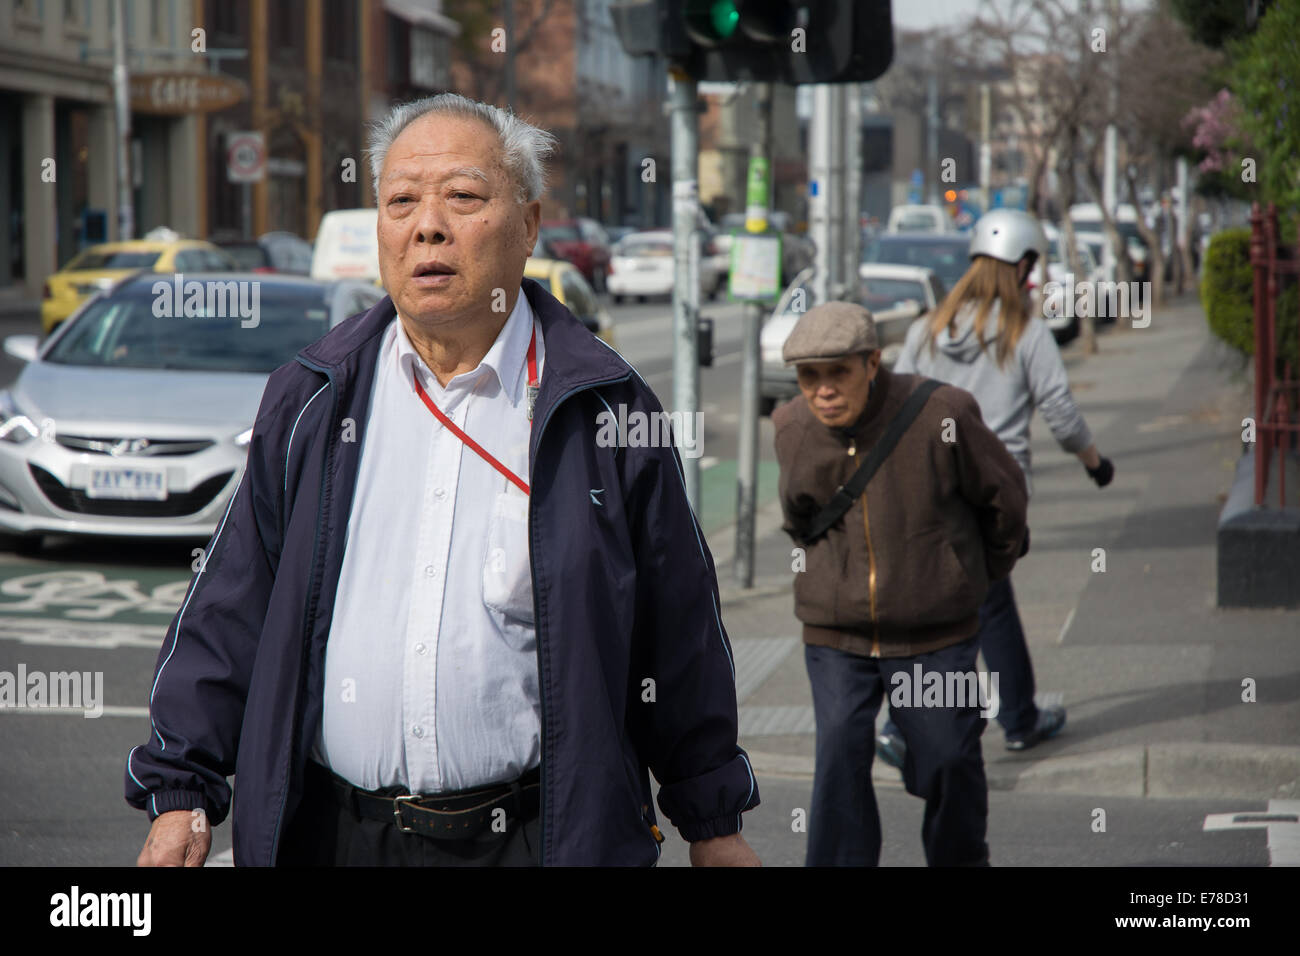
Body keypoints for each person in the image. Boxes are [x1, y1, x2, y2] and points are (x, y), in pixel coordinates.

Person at [126, 93, 760, 867]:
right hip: (335, 838)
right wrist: (181, 789)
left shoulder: (606, 407)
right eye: (400, 201)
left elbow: (679, 628)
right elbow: (229, 605)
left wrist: (714, 823)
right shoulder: (313, 396)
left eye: (462, 196)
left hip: (534, 839)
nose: (427, 225)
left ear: (528, 225)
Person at [772, 301, 1029, 866]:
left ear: (872, 362)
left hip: (936, 631)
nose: (823, 391)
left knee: (947, 760)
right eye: (809, 377)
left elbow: (1004, 498)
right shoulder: (791, 427)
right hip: (836, 635)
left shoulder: (942, 412)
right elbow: (799, 516)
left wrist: (975, 575)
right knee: (839, 757)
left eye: (838, 372)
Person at [884, 208, 1115, 765]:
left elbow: (894, 406)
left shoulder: (927, 329)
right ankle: (1015, 720)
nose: (1033, 279)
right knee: (989, 605)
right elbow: (1059, 411)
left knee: (927, 601)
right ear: (1019, 264)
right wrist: (1094, 460)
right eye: (1031, 265)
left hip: (928, 484)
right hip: (995, 490)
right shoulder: (1026, 333)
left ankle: (903, 725)